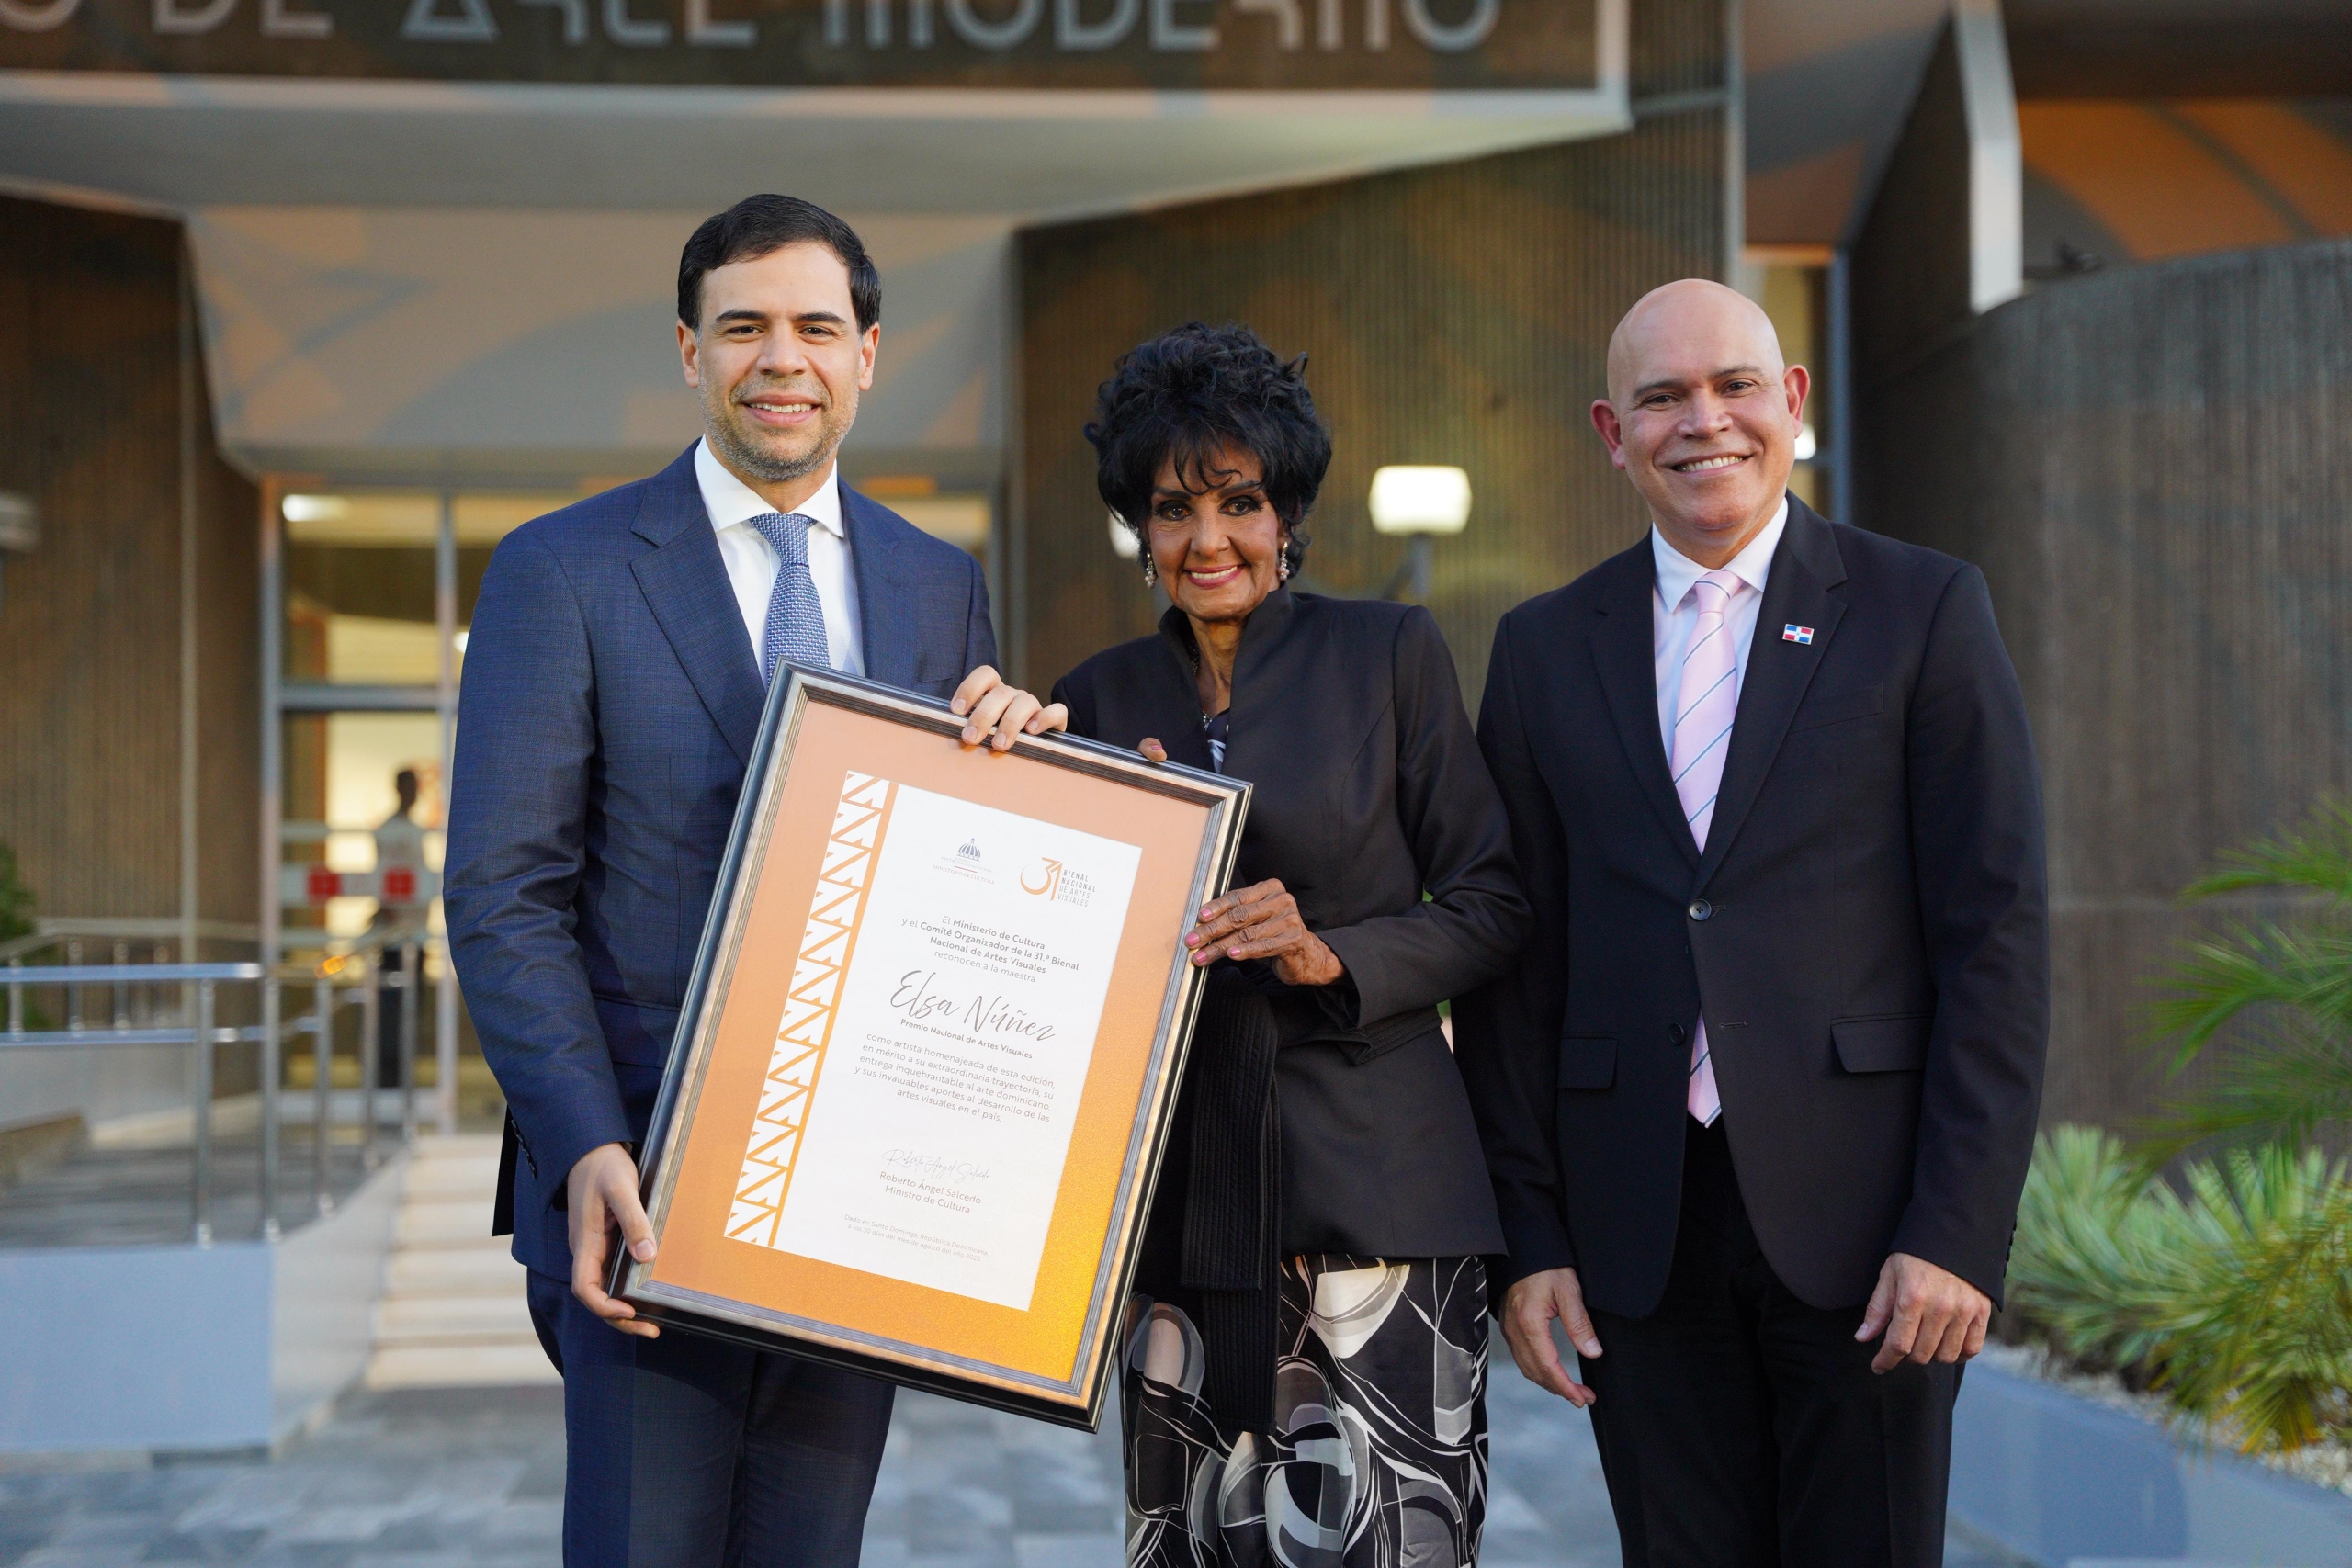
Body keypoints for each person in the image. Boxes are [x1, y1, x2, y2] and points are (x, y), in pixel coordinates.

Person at [444, 195, 1063, 1568]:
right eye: (744, 326)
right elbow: (504, 894)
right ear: (689, 351)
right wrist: (585, 1141)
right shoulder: (563, 570)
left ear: (867, 356)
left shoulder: (935, 581)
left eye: (815, 327)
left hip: (860, 1214)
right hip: (644, 1200)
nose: (781, 357)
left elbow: (946, 869)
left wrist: (1023, 775)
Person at [1454, 279, 2049, 1567]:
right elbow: (1515, 965)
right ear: (1614, 433)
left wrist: (1955, 1231)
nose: (1702, 420)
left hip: (1873, 1233)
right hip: (1637, 1238)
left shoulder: (1923, 609)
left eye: (1732, 386)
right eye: (1662, 396)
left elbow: (1995, 936)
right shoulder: (1545, 647)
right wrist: (1532, 1240)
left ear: (1792, 404)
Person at [1049, 322, 1531, 1568]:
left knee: (1394, 1542)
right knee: (1194, 1542)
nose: (1207, 537)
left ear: (1288, 510)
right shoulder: (1094, 698)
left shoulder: (1391, 653)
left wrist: (1336, 953)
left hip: (1381, 1195)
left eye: (1238, 500)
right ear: (1138, 529)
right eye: (1171, 508)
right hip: (1179, 1206)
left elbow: (1493, 900)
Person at [368, 766, 429, 1090]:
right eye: (409, 786)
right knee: (392, 1010)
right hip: (396, 939)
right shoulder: (391, 832)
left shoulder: (413, 832)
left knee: (408, 1010)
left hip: (415, 934)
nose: (414, 792)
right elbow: (385, 878)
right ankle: (388, 1077)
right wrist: (388, 909)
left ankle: (400, 1075)